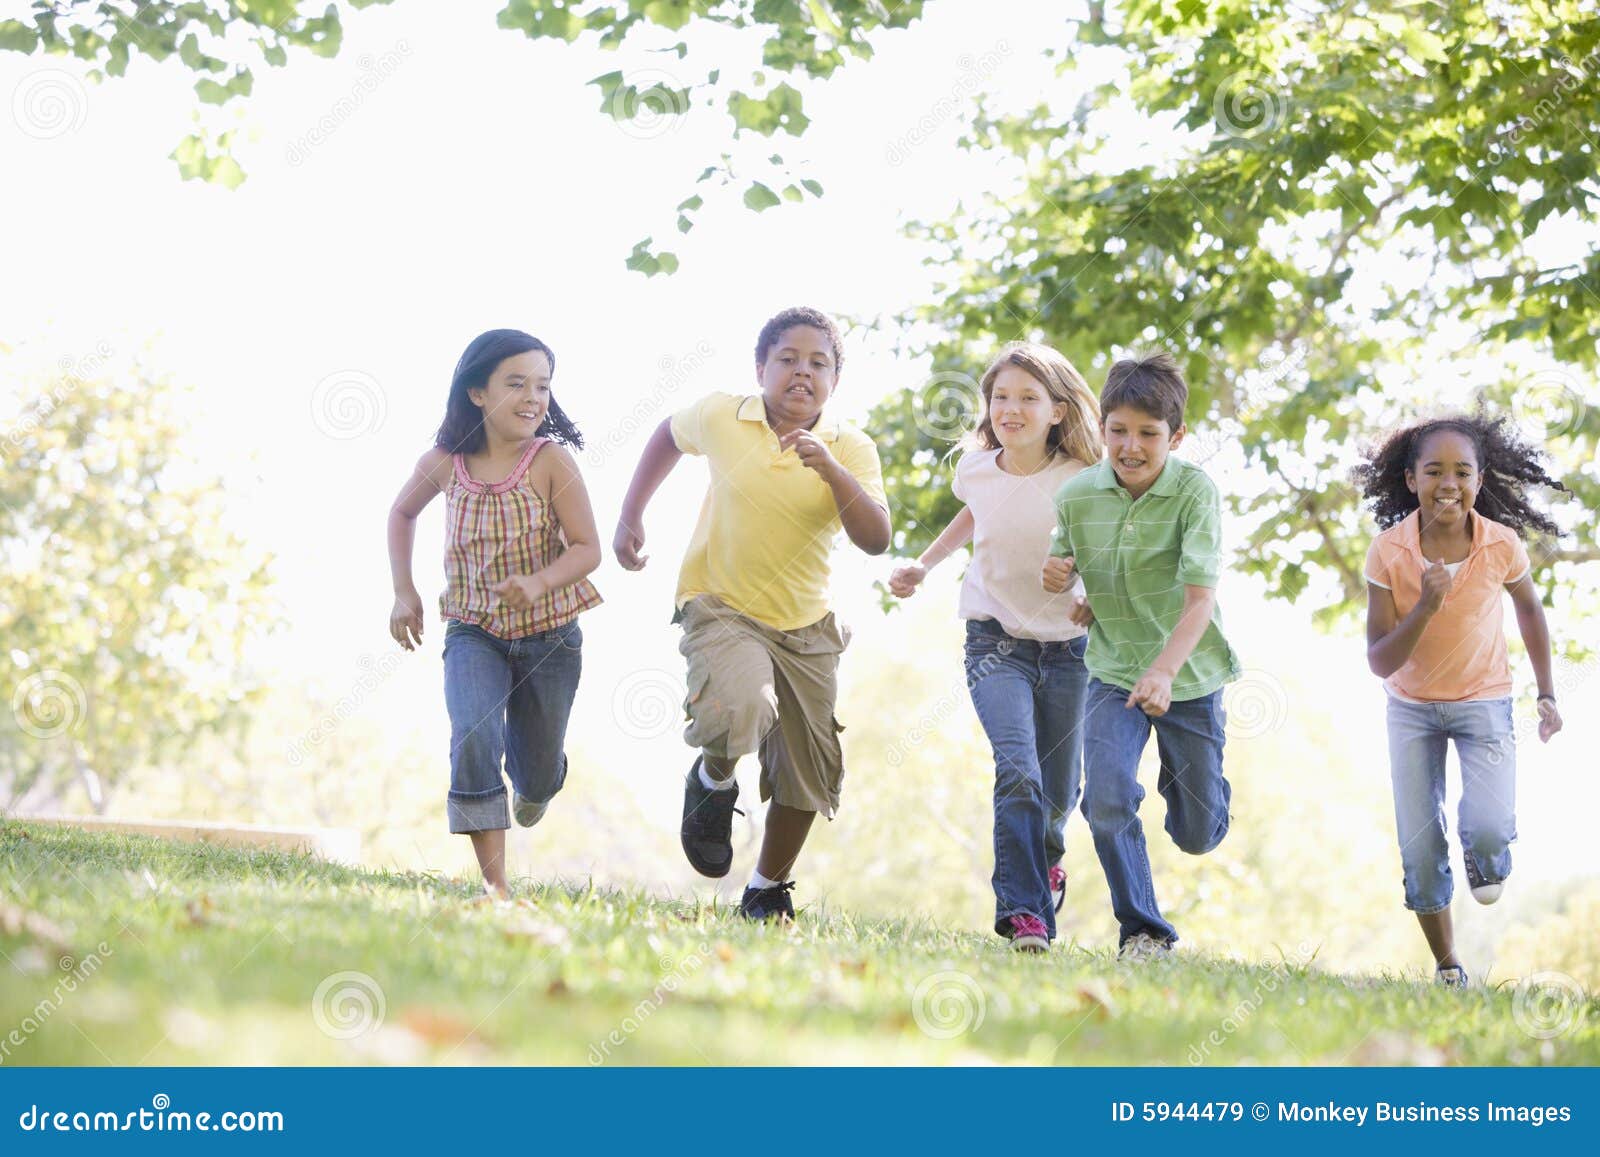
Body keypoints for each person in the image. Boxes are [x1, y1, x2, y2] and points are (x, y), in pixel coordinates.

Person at [613, 306, 890, 921]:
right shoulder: (722, 415)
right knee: (740, 705)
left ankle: (765, 890)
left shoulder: (851, 447)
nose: (802, 372)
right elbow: (667, 435)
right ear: (760, 367)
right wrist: (631, 514)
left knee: (809, 769)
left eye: (818, 363)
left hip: (808, 626)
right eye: (787, 359)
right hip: (722, 604)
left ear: (835, 380)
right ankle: (713, 779)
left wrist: (833, 471)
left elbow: (876, 538)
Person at [889, 343, 1102, 951]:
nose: (1011, 408)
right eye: (1000, 397)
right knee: (1018, 772)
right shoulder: (977, 468)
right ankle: (1024, 912)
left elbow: (1104, 545)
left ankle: (1048, 857)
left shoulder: (1083, 478)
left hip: (1069, 650)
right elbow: (973, 515)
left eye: (1028, 398)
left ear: (1058, 411)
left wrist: (1086, 588)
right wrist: (924, 565)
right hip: (994, 641)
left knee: (1059, 792)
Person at [387, 329, 602, 900]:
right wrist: (404, 591)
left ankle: (541, 781)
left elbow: (588, 549)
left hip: (550, 638)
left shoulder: (550, 461)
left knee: (535, 774)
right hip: (473, 631)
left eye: (542, 386)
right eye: (516, 384)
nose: (533, 397)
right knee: (473, 732)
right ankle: (496, 886)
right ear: (477, 391)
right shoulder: (445, 463)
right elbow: (401, 513)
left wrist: (538, 582)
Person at [1043, 350, 1240, 960]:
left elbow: (1200, 600)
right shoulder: (1077, 496)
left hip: (1191, 676)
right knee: (1104, 798)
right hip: (1113, 672)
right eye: (1118, 431)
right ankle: (1144, 929)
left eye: (1148, 434)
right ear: (1102, 428)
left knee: (1197, 835)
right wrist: (1068, 584)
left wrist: (1164, 672)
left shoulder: (1194, 492)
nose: (1131, 447)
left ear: (1175, 436)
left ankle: (1194, 784)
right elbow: (1072, 561)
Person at [1357, 414, 1565, 987]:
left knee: (1491, 833)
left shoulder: (1501, 544)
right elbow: (1379, 661)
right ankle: (1449, 967)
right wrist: (1426, 606)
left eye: (1461, 472)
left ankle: (1483, 855)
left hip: (1484, 701)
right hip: (1411, 709)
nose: (1448, 483)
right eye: (1433, 471)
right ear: (1410, 480)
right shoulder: (1388, 552)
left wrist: (1547, 692)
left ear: (1479, 480)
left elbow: (1529, 609)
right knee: (1420, 846)